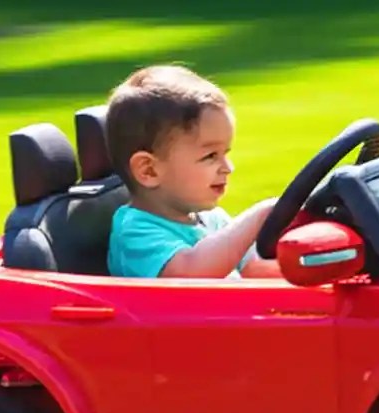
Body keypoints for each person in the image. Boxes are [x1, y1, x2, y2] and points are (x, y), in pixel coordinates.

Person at [104, 65, 282, 279]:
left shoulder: (213, 219)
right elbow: (190, 275)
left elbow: (254, 271)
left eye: (225, 153)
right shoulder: (136, 232)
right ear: (149, 170)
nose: (228, 167)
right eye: (210, 156)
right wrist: (260, 215)